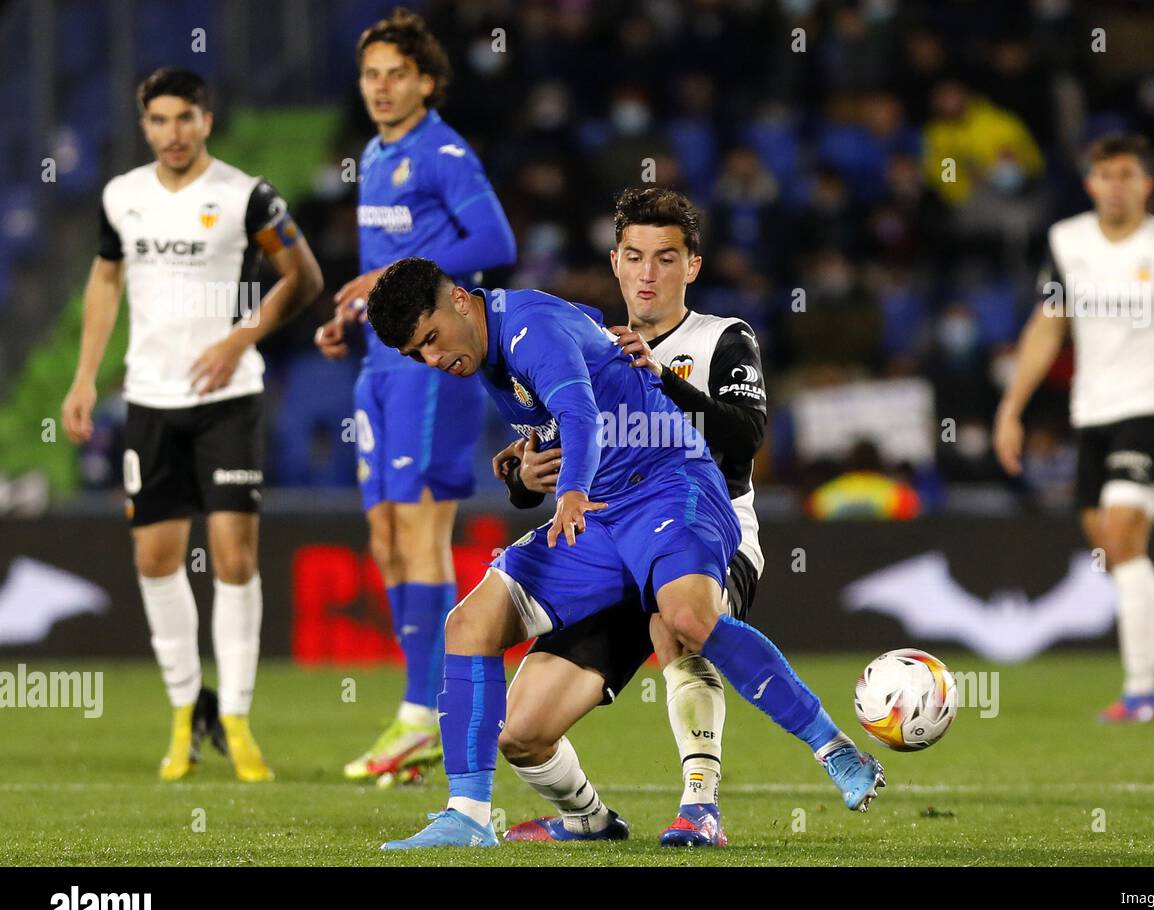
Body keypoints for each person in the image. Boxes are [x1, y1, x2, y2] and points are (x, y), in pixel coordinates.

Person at [364, 258, 886, 850]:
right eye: (417, 354)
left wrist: (571, 491)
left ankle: (833, 748)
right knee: (471, 627)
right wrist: (525, 462)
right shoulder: (494, 350)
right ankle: (476, 814)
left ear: (460, 300)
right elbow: (584, 375)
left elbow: (581, 413)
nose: (433, 359)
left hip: (670, 484)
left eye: (431, 339)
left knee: (687, 618)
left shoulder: (526, 327)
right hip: (604, 513)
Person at [60, 67, 323, 780]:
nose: (172, 133)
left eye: (185, 118)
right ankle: (186, 713)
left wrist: (243, 337)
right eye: (159, 120)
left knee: (234, 556)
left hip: (229, 398)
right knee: (155, 559)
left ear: (206, 121)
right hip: (149, 401)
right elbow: (106, 280)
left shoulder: (245, 195)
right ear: (145, 126)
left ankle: (236, 720)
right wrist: (85, 377)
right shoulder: (123, 197)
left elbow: (304, 275)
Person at [489, 187, 766, 847]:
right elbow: (551, 460)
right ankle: (587, 818)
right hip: (609, 549)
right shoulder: (580, 345)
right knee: (520, 731)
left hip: (705, 536)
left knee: (675, 621)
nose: (648, 274)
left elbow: (745, 434)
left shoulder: (723, 338)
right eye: (635, 257)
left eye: (666, 258)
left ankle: (700, 806)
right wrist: (522, 479)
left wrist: (664, 378)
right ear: (614, 262)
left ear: (692, 266)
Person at [314, 7, 516, 782]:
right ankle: (420, 710)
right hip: (379, 364)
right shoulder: (373, 152)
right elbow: (385, 274)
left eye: (398, 74)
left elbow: (495, 242)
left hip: (431, 370)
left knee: (421, 535)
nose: (382, 87)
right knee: (385, 541)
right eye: (371, 74)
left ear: (426, 81)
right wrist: (355, 314)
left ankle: (420, 713)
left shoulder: (443, 152)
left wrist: (386, 282)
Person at [993, 133, 1154, 723]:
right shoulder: (1068, 242)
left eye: (1127, 174)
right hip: (1092, 412)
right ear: (1090, 184)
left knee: (1121, 534)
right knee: (1113, 550)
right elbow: (1048, 323)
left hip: (1150, 407)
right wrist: (1012, 407)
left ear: (1147, 184)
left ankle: (1141, 690)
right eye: (1105, 175)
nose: (1116, 185)